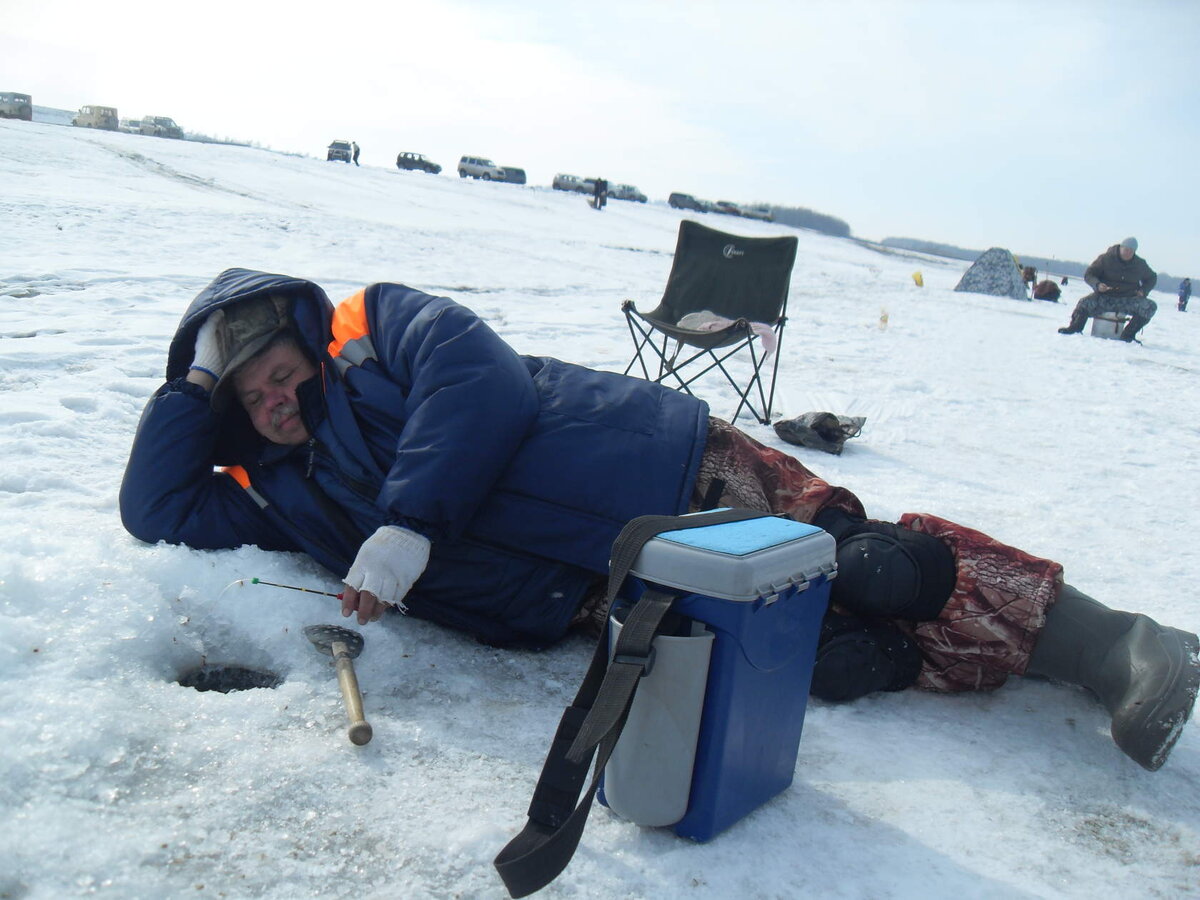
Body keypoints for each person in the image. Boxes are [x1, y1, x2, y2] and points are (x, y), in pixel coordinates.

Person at [121, 268, 1200, 771]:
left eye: (267, 366)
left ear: (300, 338)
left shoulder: (376, 332)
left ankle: (1119, 644)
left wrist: (404, 528)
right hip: (596, 590)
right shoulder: (279, 496)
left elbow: (480, 383)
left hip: (667, 471)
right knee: (829, 654)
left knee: (868, 566)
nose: (268, 398)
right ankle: (935, 660)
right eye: (245, 399)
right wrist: (191, 380)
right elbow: (154, 507)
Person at [1058, 237, 1157, 341]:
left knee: (1150, 306)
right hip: (1104, 297)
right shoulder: (1105, 259)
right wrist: (1097, 284)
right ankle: (1075, 328)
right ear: (1120, 247)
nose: (1128, 253)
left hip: (1129, 299)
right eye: (1126, 249)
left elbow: (1152, 278)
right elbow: (1089, 274)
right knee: (1084, 303)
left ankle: (1128, 335)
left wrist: (1144, 290)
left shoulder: (1140, 264)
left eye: (1131, 251)